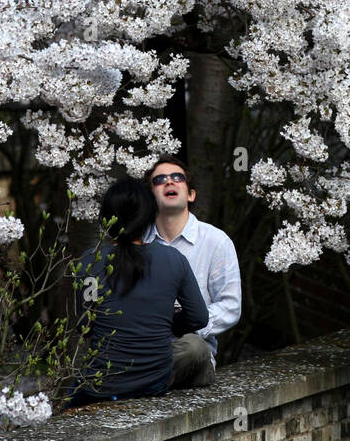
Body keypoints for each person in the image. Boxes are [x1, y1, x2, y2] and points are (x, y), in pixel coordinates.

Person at [66, 178, 209, 408]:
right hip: (155, 382)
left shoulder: (89, 263)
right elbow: (199, 317)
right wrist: (163, 322)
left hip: (102, 384)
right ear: (151, 216)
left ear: (105, 218)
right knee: (197, 348)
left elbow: (86, 325)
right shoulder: (173, 260)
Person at [142, 155, 242, 387]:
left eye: (178, 177)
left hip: (190, 354)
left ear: (191, 194)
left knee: (193, 348)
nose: (169, 182)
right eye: (160, 180)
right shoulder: (138, 242)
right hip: (145, 345)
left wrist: (189, 323)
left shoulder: (216, 241)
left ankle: (135, 381)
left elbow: (231, 306)